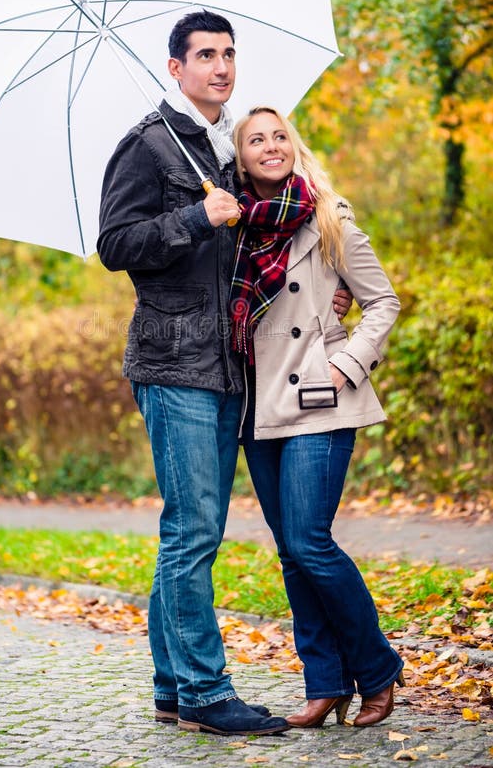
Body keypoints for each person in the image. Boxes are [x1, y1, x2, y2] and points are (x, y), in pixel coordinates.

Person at [97, 11, 350, 736]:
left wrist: (321, 287)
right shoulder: (146, 145)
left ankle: (173, 687)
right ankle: (208, 695)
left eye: (228, 53)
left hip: (229, 365)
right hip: (174, 362)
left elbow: (260, 252)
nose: (221, 66)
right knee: (194, 531)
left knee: (188, 530)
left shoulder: (220, 145)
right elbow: (115, 243)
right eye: (204, 55)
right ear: (174, 67)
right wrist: (193, 219)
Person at [230, 106, 405, 729]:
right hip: (258, 406)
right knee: (290, 553)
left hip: (319, 399)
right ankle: (325, 682)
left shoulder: (329, 218)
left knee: (310, 541)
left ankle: (379, 668)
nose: (271, 146)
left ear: (293, 147)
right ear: (241, 156)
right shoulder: (235, 231)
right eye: (256, 139)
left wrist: (346, 363)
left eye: (280, 136)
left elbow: (383, 301)